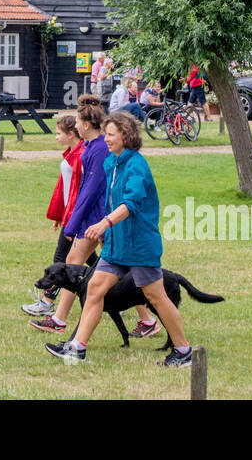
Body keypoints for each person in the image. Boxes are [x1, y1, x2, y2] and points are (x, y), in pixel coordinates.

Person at [46, 110, 193, 366]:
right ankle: (77, 348)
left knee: (156, 296)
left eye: (111, 134)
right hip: (117, 244)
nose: (106, 139)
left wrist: (104, 222)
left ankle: (183, 351)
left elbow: (131, 204)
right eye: (105, 134)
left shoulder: (136, 165)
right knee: (94, 289)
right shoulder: (112, 163)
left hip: (139, 245)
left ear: (126, 136)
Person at [23, 114, 93, 317]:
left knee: (61, 258)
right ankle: (122, 298)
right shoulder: (72, 153)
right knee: (93, 258)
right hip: (71, 214)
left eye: (59, 133)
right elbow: (64, 186)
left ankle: (47, 301)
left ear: (71, 134)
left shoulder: (81, 155)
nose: (56, 137)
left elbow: (81, 190)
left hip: (77, 216)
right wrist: (58, 213)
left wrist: (72, 217)